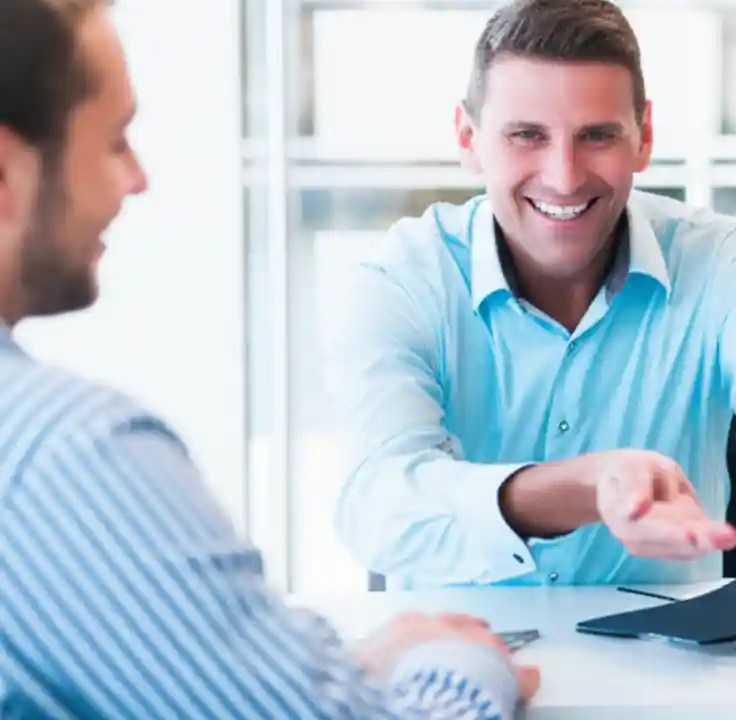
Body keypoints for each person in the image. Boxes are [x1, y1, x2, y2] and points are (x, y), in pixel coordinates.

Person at [0, 1, 536, 716]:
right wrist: (463, 659)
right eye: (114, 140)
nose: (137, 178)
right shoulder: (66, 456)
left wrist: (330, 671)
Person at [332, 0, 736, 587]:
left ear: (644, 137)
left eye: (596, 136)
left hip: (665, 643)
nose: (564, 176)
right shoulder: (403, 279)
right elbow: (379, 505)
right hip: (456, 642)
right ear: (469, 138)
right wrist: (584, 489)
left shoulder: (724, 262)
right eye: (526, 136)